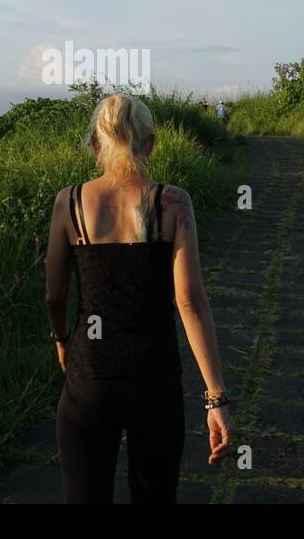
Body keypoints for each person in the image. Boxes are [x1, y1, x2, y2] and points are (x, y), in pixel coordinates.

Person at [44, 93, 233, 503]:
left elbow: (55, 294)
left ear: (95, 143)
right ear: (150, 144)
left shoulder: (69, 202)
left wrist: (61, 339)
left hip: (88, 379)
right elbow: (190, 302)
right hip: (154, 379)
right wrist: (215, 396)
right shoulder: (172, 203)